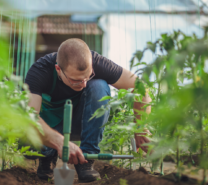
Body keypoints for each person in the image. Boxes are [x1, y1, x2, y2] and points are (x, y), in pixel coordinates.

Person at [25, 38, 151, 183]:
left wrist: (141, 128)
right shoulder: (39, 71)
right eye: (76, 80)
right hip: (50, 125)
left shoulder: (99, 63)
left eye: (87, 76)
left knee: (99, 85)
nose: (83, 84)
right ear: (58, 70)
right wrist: (59, 142)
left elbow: (140, 87)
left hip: (82, 120)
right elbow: (29, 117)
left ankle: (86, 159)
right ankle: (47, 155)